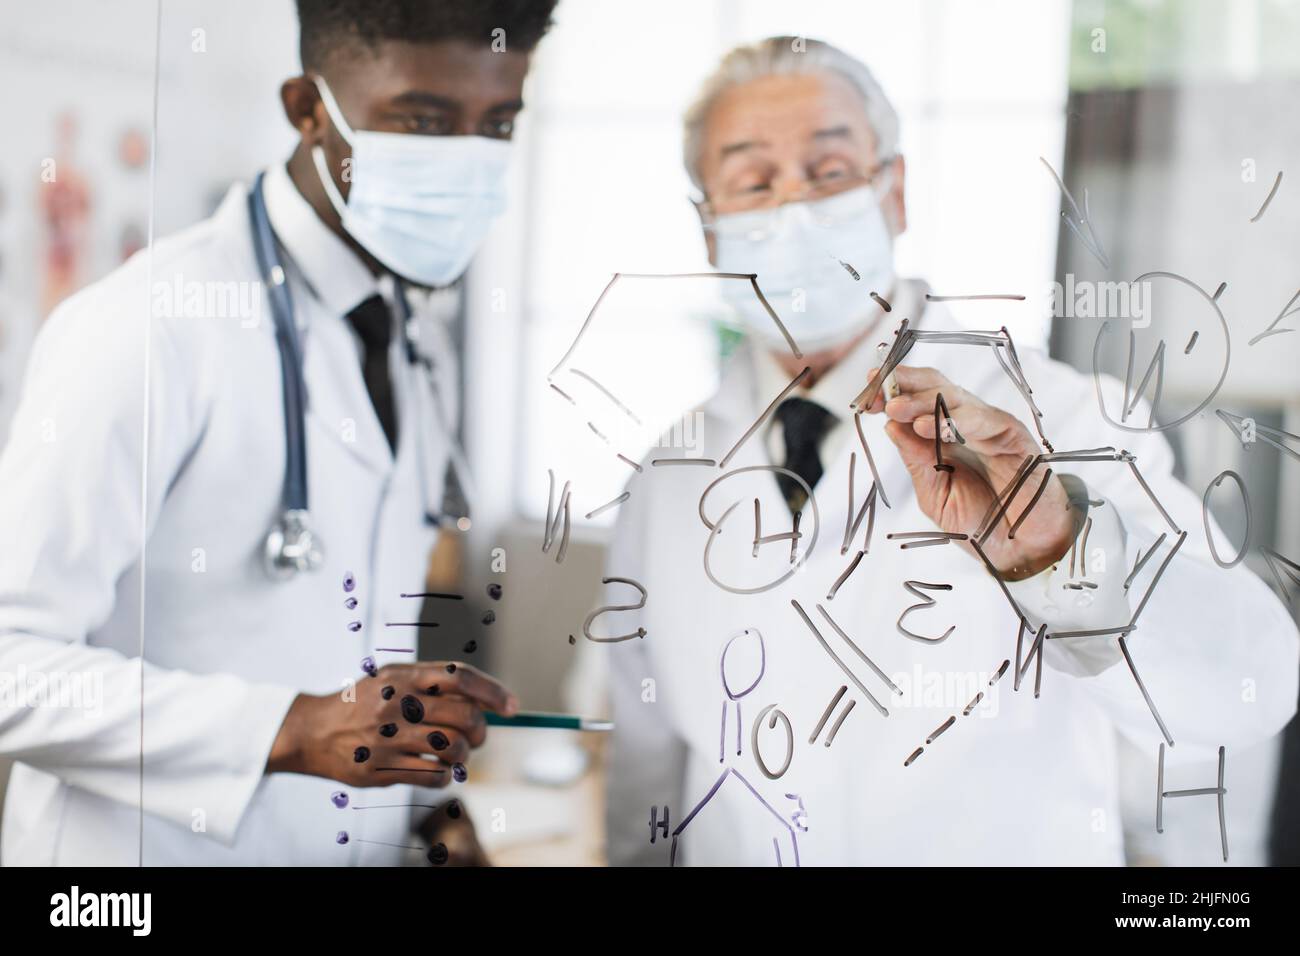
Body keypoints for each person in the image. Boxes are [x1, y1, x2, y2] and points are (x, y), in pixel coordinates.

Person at [598, 37, 1299, 865]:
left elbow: (1245, 689)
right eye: (752, 181)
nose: (791, 208)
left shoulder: (1064, 416)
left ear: (892, 192)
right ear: (708, 226)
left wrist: (1054, 542)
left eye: (828, 172)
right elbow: (645, 753)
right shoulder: (669, 475)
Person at [0, 0, 558, 866]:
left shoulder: (413, 341)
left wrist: (423, 816)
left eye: (497, 125)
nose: (467, 160)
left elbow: (363, 646)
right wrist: (294, 728)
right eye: (422, 120)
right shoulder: (152, 325)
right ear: (306, 107)